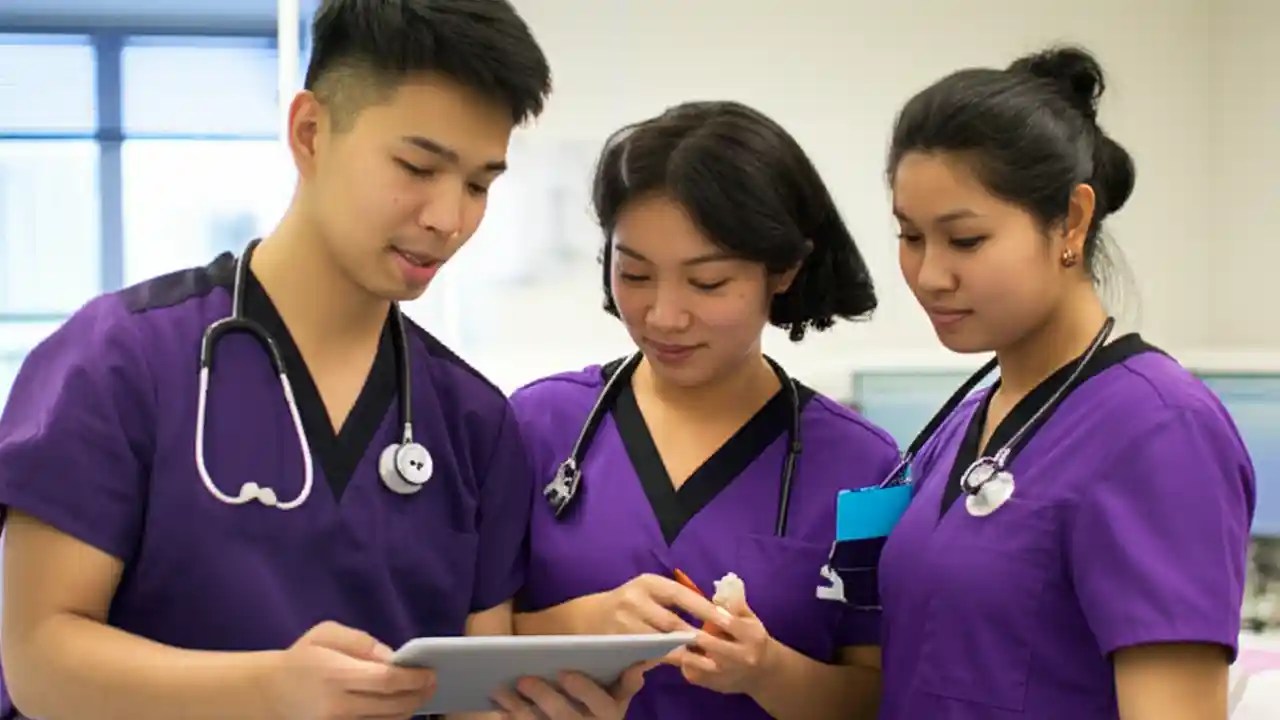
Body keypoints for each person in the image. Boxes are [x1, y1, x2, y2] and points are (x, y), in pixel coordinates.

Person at [0, 1, 639, 718]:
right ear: (310, 132)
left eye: (478, 185)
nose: (447, 218)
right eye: (417, 166)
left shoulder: (472, 422)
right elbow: (39, 659)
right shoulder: (119, 360)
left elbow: (470, 694)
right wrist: (271, 691)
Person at [872, 45, 1256, 719]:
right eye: (910, 237)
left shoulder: (1160, 430)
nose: (930, 275)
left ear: (1071, 222)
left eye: (965, 241)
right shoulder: (967, 423)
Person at [506, 100, 899, 720]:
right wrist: (580, 623)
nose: (664, 316)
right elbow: (464, 640)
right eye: (634, 275)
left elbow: (879, 695)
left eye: (707, 283)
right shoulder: (537, 425)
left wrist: (769, 672)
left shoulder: (867, 466)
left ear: (785, 270)